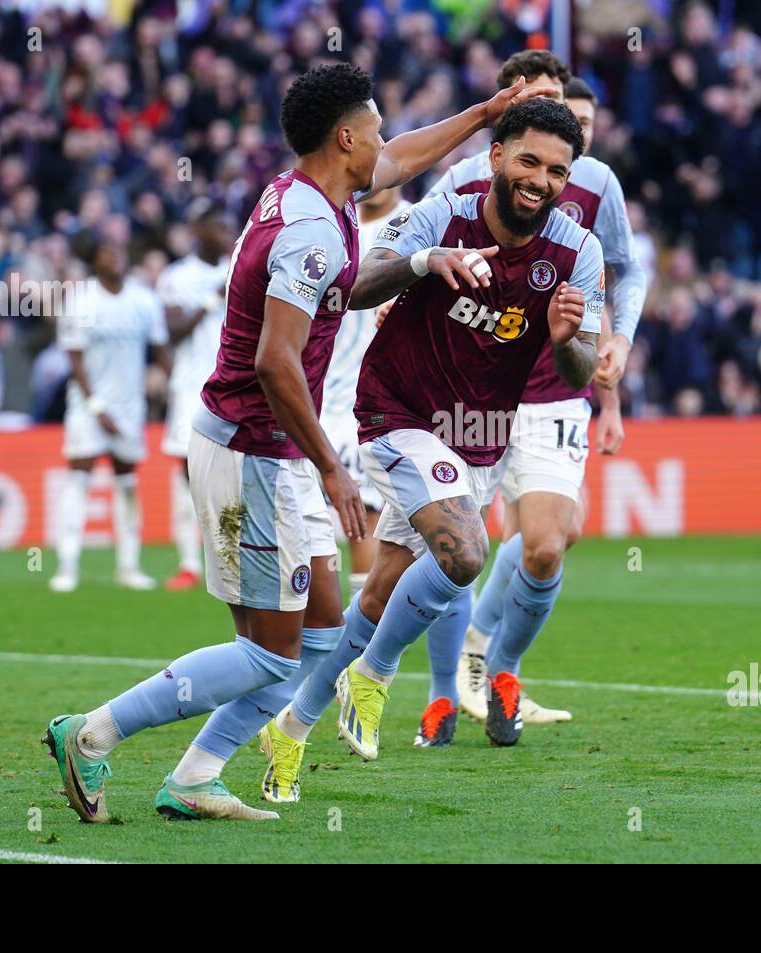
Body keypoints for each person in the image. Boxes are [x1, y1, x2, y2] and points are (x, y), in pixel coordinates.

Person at [43, 63, 555, 822]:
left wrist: (483, 116)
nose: (385, 142)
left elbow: (406, 158)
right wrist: (332, 471)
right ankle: (89, 733)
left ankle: (195, 776)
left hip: (271, 453)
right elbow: (273, 361)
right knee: (268, 654)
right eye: (376, 127)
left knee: (317, 642)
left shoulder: (308, 191)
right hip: (253, 451)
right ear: (346, 137)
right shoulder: (314, 228)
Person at [256, 96, 603, 803]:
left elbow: (581, 369)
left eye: (558, 170)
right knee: (467, 552)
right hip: (398, 411)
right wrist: (424, 259)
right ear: (498, 154)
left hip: (480, 439)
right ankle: (378, 673)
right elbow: (355, 286)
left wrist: (570, 340)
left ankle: (289, 731)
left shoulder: (577, 251)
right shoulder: (450, 207)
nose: (541, 179)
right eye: (529, 160)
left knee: (379, 594)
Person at [425, 56, 647, 735]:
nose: (560, 119)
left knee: (547, 543)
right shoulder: (464, 179)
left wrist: (618, 356)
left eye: (564, 104)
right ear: (505, 110)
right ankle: (441, 694)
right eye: (541, 103)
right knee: (455, 549)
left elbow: (620, 274)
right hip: (472, 388)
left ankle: (500, 670)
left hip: (554, 390)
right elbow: (419, 254)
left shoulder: (596, 182)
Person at [48, 239, 169, 593]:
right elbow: (74, 360)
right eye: (106, 252)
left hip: (130, 409)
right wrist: (98, 407)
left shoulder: (143, 300)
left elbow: (161, 349)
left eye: (118, 252)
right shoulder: (81, 300)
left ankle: (128, 565)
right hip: (88, 408)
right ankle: (67, 565)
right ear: (94, 261)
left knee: (127, 485)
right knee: (78, 481)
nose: (114, 257)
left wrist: (170, 381)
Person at [318, 185, 411, 601]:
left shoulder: (416, 222)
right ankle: (321, 635)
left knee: (364, 517)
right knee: (313, 525)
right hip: (320, 393)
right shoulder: (333, 222)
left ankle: (358, 639)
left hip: (373, 400)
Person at [156, 203, 232, 591]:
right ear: (198, 230)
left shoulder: (240, 267)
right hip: (191, 389)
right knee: (187, 474)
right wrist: (210, 300)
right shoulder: (177, 277)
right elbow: (172, 331)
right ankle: (188, 562)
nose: (227, 231)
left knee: (230, 476)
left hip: (233, 387)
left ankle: (227, 559)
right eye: (218, 225)